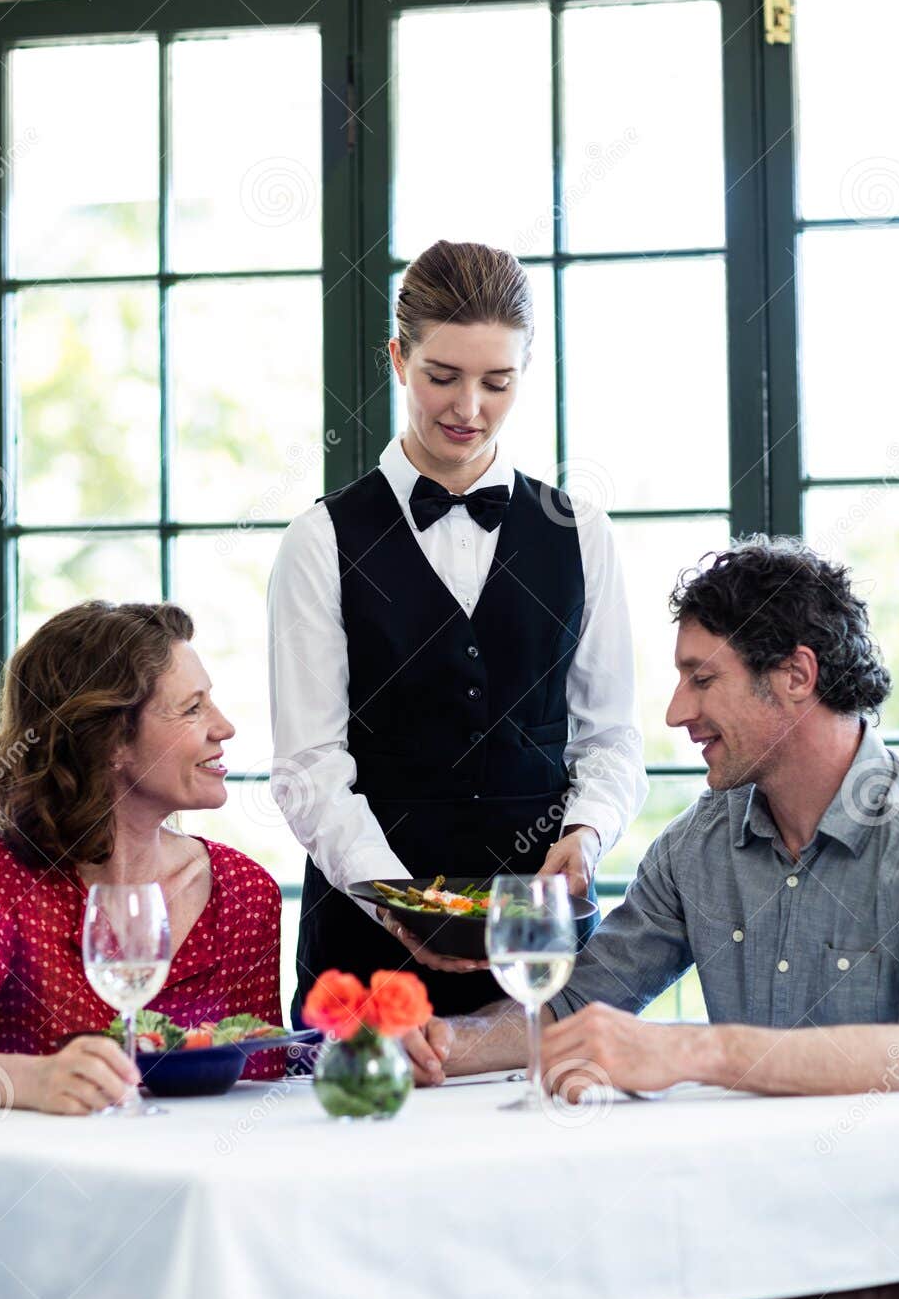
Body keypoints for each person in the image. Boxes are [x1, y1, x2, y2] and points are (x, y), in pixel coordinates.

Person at [402, 538, 899, 1096]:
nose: (676, 713)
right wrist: (451, 1040)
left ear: (796, 674)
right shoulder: (697, 846)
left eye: (703, 679)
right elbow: (573, 1003)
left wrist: (693, 1049)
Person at [268, 238, 646, 1020]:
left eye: (496, 382)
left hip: (539, 948)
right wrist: (394, 896)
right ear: (398, 359)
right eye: (442, 376)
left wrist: (588, 830)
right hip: (365, 953)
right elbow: (308, 765)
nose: (467, 408)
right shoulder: (320, 540)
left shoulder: (581, 532)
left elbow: (609, 737)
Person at [0, 601, 282, 1114]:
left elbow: (267, 1071)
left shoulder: (246, 891)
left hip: (195, 1180)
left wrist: (374, 1050)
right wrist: (37, 1080)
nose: (225, 727)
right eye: (192, 708)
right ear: (111, 741)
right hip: (47, 1186)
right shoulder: (5, 876)